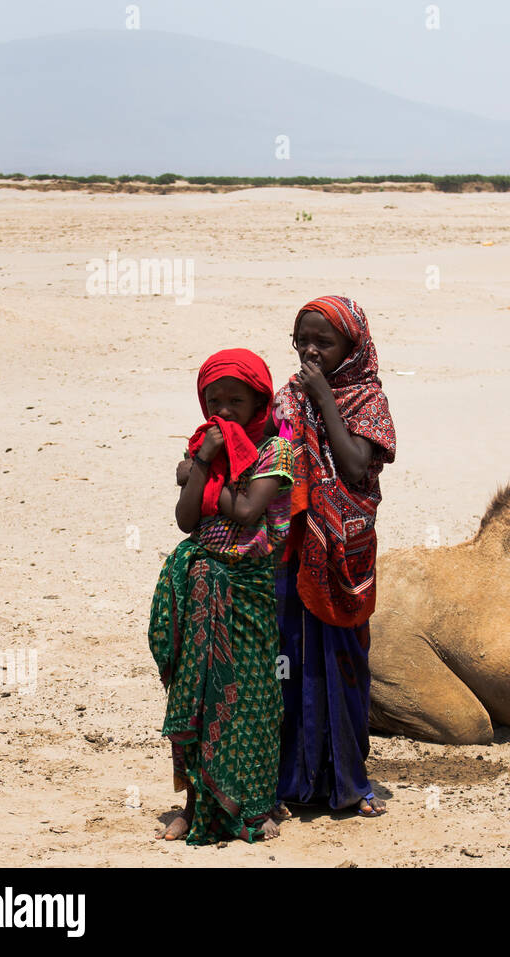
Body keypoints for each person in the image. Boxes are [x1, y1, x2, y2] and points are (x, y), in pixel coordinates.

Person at [149, 348, 293, 843]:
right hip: (203, 584)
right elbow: (187, 520)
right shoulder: (202, 451)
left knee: (253, 697)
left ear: (260, 401)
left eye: (237, 400)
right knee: (199, 698)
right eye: (215, 400)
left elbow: (250, 510)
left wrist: (202, 475)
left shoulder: (277, 453)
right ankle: (195, 804)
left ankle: (251, 807)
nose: (225, 410)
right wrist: (203, 463)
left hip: (249, 586)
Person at [271, 296, 396, 818]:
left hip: (344, 559)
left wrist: (322, 398)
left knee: (342, 667)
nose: (310, 351)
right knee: (288, 665)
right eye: (303, 340)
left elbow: (352, 465)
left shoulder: (368, 400)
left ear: (353, 346)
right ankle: (291, 782)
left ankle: (349, 782)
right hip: (296, 554)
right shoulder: (288, 397)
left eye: (324, 341)